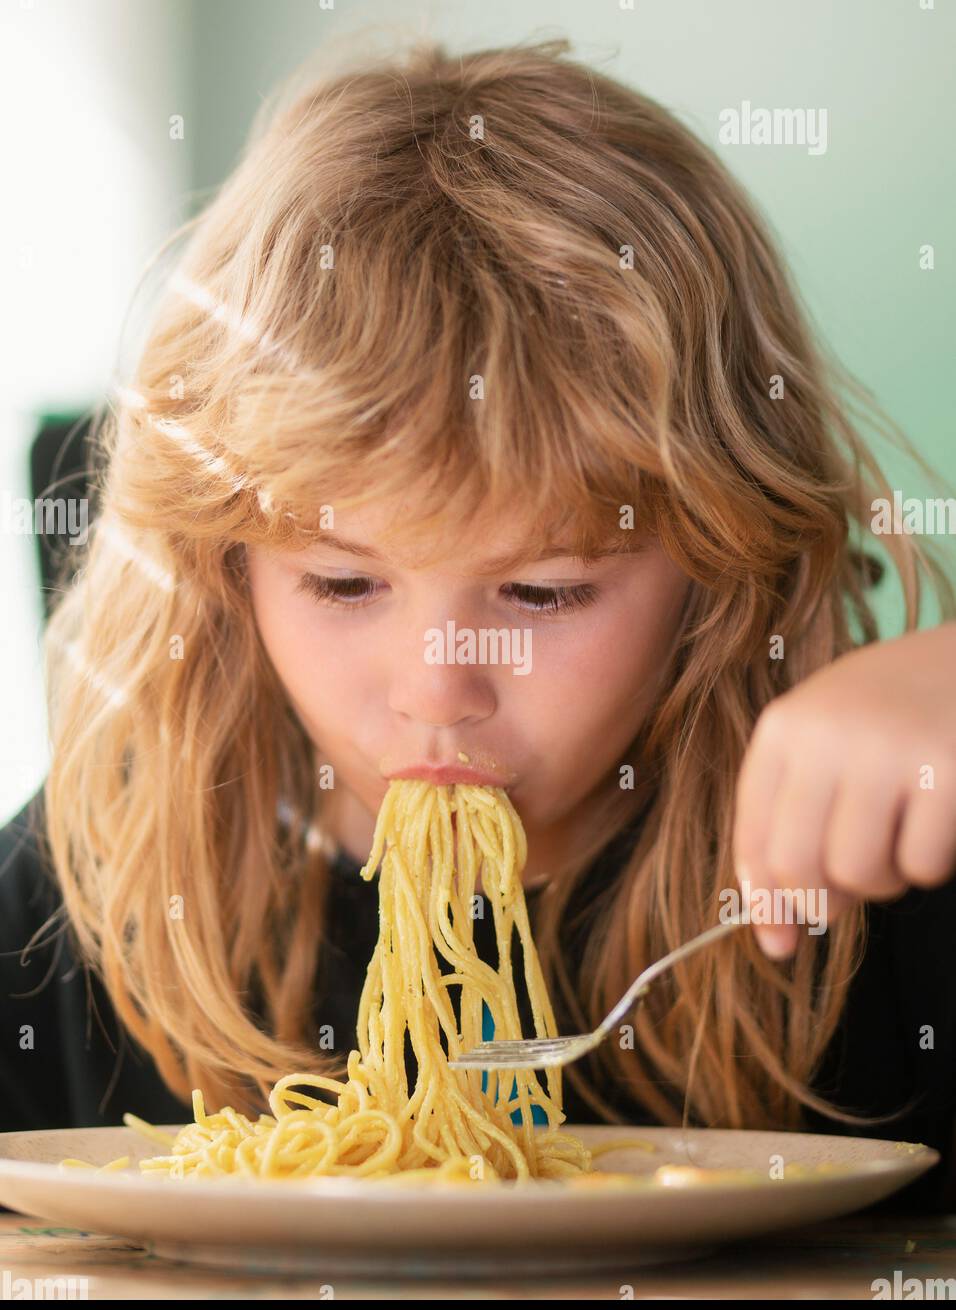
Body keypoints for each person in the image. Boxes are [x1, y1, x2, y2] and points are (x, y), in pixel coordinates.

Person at [1, 39, 954, 1214]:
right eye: (343, 587)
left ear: (720, 570)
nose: (438, 688)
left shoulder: (880, 865)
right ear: (226, 572)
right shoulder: (92, 882)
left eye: (543, 593)